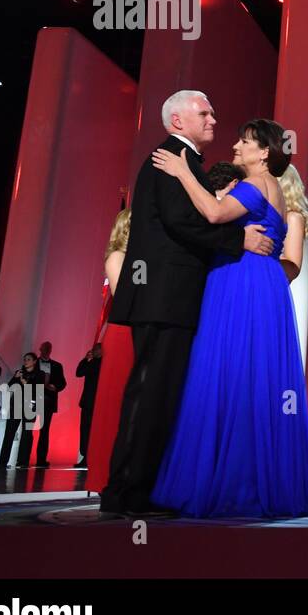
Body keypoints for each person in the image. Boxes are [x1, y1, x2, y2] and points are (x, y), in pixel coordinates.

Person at [102, 90, 275, 516]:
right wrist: (241, 239)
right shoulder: (169, 160)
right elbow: (185, 222)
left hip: (167, 296)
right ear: (178, 121)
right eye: (205, 113)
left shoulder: (182, 162)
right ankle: (130, 492)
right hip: (164, 296)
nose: (214, 119)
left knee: (157, 392)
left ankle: (134, 488)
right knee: (153, 393)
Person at [148, 118, 308, 518]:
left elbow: (213, 215)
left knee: (227, 373)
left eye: (245, 142)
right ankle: (261, 478)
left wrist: (181, 172)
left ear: (264, 152)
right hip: (264, 285)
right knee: (256, 377)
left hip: (241, 280)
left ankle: (229, 482)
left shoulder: (256, 184)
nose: (236, 145)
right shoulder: (276, 191)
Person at [84, 209, 135, 495]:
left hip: (139, 330)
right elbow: (124, 294)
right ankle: (105, 474)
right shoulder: (117, 257)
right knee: (115, 401)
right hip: (123, 330)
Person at [0, 353, 44, 468]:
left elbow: (38, 390)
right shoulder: (20, 372)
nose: (26, 361)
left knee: (27, 434)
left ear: (34, 361)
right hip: (16, 405)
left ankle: (23, 461)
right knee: (9, 432)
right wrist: (15, 378)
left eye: (28, 359)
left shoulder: (39, 374)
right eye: (24, 359)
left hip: (30, 405)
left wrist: (26, 384)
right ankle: (2, 461)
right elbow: (9, 386)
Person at [30, 342, 66, 467]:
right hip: (33, 400)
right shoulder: (33, 364)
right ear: (40, 349)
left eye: (48, 348)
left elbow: (62, 383)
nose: (45, 350)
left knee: (44, 431)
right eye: (44, 348)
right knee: (28, 429)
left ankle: (41, 460)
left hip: (48, 402)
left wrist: (54, 387)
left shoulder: (57, 365)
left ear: (50, 350)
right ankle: (23, 459)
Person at [75, 344, 102, 468]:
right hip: (87, 402)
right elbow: (79, 373)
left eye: (96, 349)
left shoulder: (103, 363)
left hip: (98, 403)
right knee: (85, 430)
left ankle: (92, 458)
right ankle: (85, 457)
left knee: (93, 431)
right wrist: (86, 359)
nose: (93, 351)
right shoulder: (91, 362)